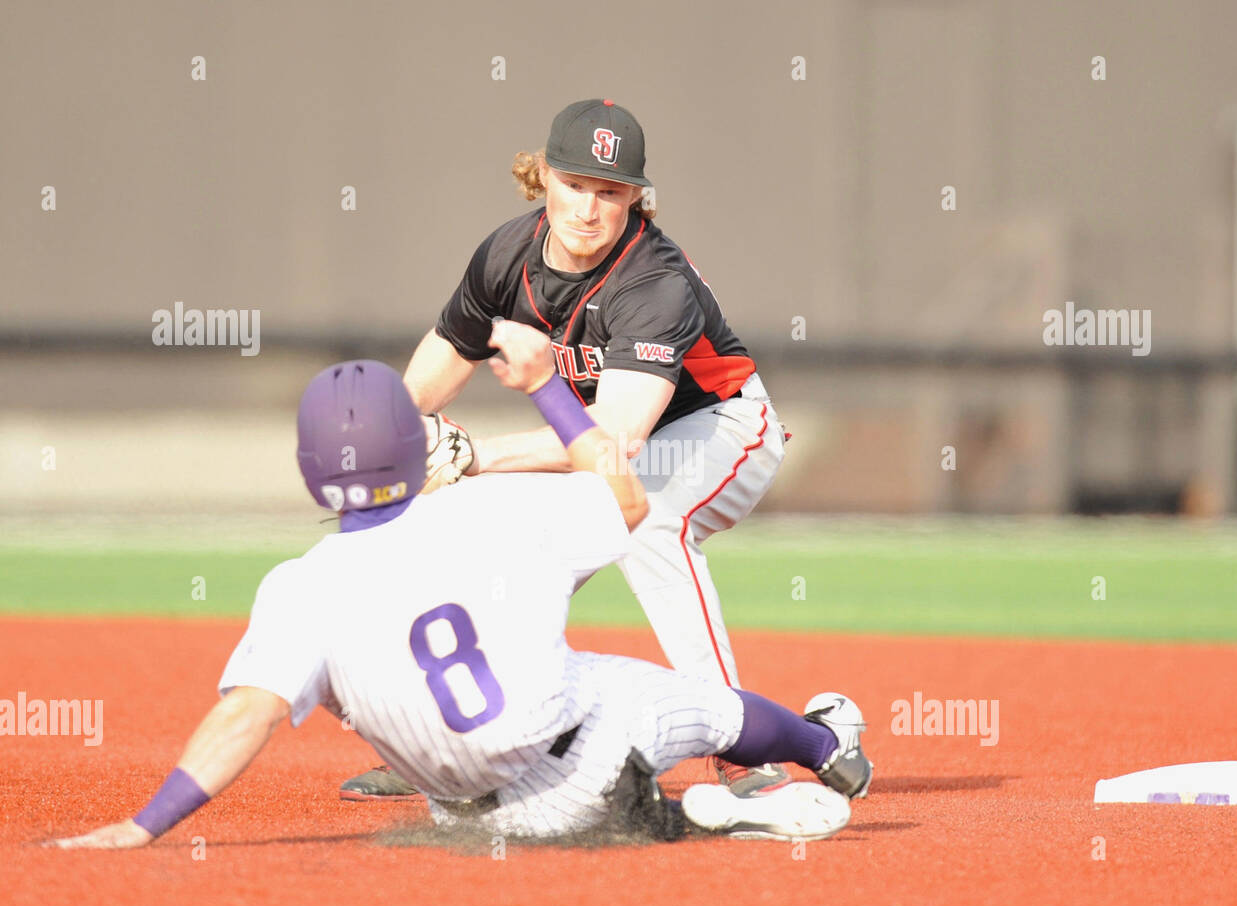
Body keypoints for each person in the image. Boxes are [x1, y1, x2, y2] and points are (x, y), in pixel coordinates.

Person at [46, 334, 872, 850]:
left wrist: (144, 823)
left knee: (563, 779)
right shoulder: (495, 510)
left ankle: (666, 820)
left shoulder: (301, 584)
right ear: (421, 451)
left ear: (310, 476)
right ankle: (825, 749)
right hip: (585, 759)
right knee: (711, 708)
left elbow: (248, 713)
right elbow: (627, 498)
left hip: (471, 821)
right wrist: (550, 387)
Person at [341, 97, 791, 802]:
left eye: (610, 192)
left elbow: (615, 439)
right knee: (492, 542)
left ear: (635, 198)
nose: (588, 207)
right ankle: (451, 748)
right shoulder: (505, 253)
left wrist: (471, 457)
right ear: (543, 177)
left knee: (652, 525)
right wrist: (390, 437)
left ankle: (739, 743)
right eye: (576, 184)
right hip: (617, 445)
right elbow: (448, 355)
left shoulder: (654, 281)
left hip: (725, 427)